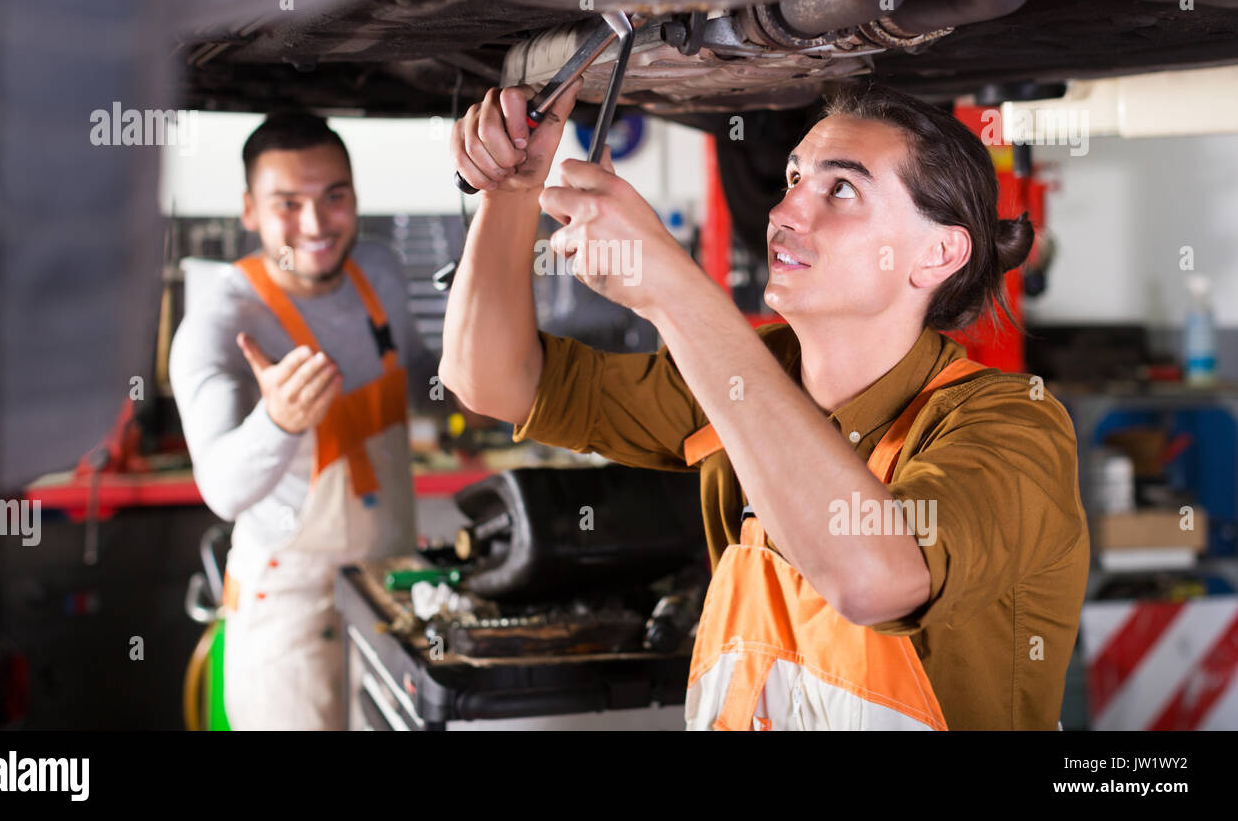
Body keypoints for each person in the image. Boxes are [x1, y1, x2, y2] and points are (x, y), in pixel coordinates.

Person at [440, 80, 1089, 731]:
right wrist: (514, 190)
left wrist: (674, 290)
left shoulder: (1012, 426)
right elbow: (493, 379)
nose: (784, 213)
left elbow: (874, 579)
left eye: (841, 190)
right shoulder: (751, 374)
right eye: (793, 179)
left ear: (937, 254)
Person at [169, 111, 434, 730]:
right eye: (288, 203)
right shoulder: (218, 325)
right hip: (289, 609)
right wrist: (279, 422)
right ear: (249, 210)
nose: (315, 225)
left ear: (354, 197)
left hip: (391, 589)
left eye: (333, 197)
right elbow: (222, 489)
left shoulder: (381, 274)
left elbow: (424, 376)